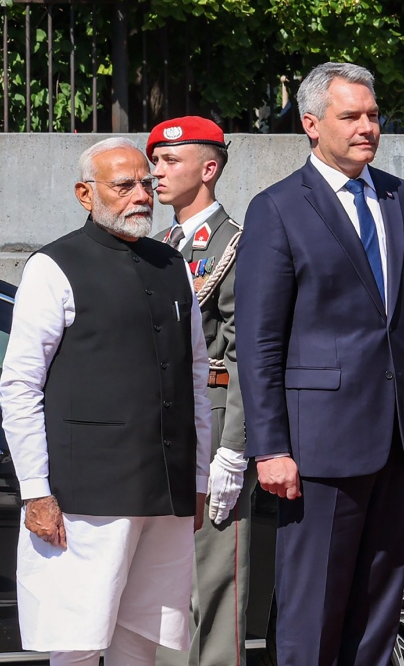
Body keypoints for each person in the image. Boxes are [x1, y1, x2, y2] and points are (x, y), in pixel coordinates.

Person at [234, 62, 404, 666]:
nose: (367, 128)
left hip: (394, 441)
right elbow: (259, 341)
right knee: (313, 612)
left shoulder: (403, 199)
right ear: (310, 124)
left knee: (381, 606)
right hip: (317, 446)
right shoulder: (276, 209)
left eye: (373, 115)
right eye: (350, 116)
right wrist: (270, 446)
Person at [0, 137, 212, 666]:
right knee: (79, 639)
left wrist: (200, 480)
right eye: (124, 186)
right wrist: (35, 491)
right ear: (85, 193)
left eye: (146, 183)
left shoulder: (173, 265)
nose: (141, 195)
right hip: (84, 496)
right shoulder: (54, 267)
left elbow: (195, 376)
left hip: (165, 490)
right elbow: (19, 386)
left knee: (141, 640)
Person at [146, 116, 255, 666]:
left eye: (170, 161)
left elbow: (243, 358)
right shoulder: (161, 244)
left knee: (212, 587)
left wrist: (233, 449)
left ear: (208, 168)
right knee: (165, 590)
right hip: (165, 433)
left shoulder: (238, 247)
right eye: (156, 161)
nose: (156, 172)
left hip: (212, 432)